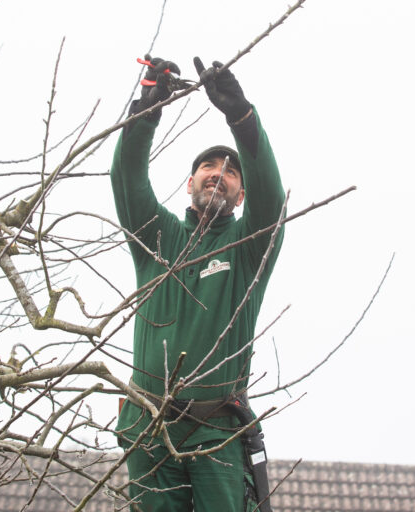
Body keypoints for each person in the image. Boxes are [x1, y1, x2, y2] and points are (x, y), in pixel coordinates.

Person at [111, 55, 286, 512]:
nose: (218, 173)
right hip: (149, 427)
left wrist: (240, 116)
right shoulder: (157, 236)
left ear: (240, 194)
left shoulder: (249, 247)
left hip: (216, 434)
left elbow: (270, 193)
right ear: (190, 183)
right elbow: (127, 177)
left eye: (230, 171)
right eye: (209, 167)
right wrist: (147, 108)